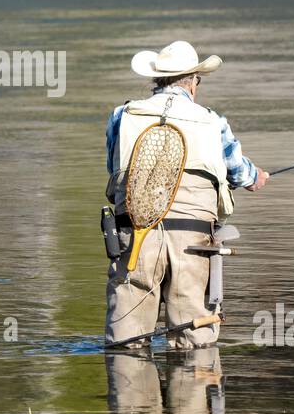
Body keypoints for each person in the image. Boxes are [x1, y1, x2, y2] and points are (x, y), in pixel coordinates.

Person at [105, 40, 267, 349]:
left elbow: (114, 169)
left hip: (136, 236)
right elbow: (238, 172)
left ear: (156, 81)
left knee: (124, 344)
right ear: (193, 82)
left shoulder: (121, 115)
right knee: (194, 342)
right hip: (193, 241)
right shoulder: (212, 121)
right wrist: (255, 176)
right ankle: (192, 389)